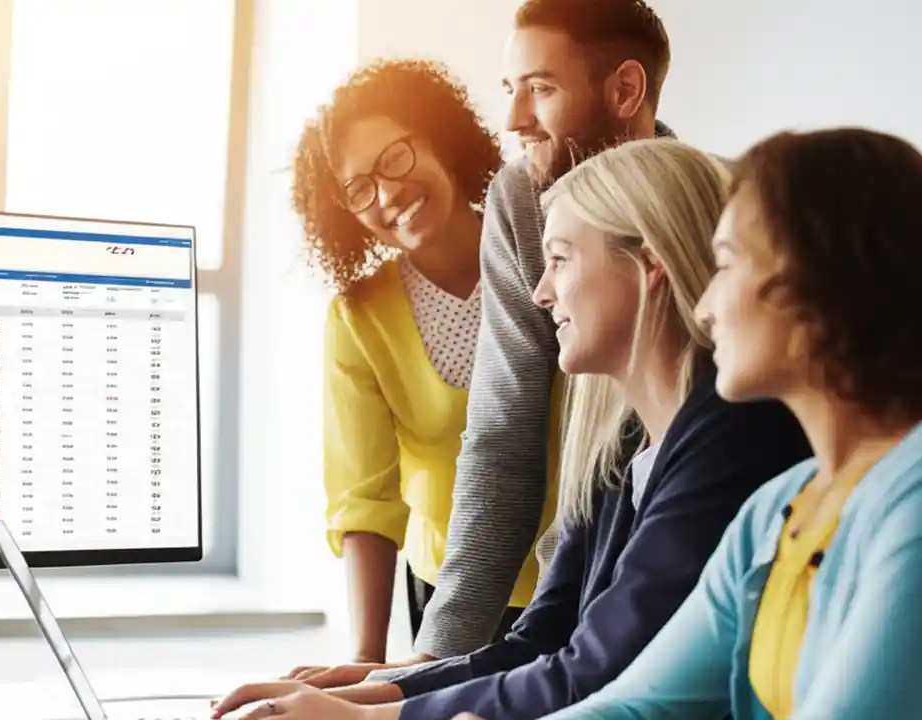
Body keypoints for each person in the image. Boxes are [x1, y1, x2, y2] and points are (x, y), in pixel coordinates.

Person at [214, 139, 813, 720]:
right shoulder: (617, 446)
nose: (539, 291)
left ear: (649, 263)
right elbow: (536, 643)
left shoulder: (735, 437)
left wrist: (368, 715)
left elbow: (591, 671)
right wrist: (374, 688)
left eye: (559, 259)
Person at [274, 0, 680, 690]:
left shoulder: (696, 213)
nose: (515, 118)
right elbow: (498, 442)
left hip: (624, 574)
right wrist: (398, 677)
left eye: (541, 87)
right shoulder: (519, 200)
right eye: (509, 89)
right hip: (503, 590)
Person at [542, 128, 922, 719]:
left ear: (815, 276)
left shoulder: (913, 503)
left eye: (724, 264)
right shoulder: (773, 512)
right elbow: (638, 705)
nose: (704, 304)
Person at [291, 57, 552, 667]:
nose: (388, 195)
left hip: (571, 575)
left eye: (396, 159)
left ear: (440, 138)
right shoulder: (358, 317)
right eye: (359, 189)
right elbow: (367, 498)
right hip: (449, 592)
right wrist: (365, 657)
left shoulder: (547, 249)